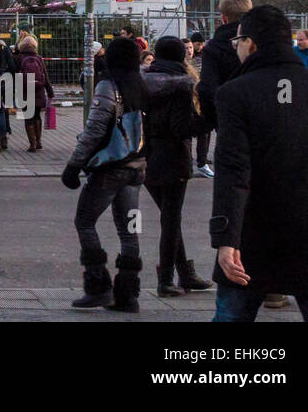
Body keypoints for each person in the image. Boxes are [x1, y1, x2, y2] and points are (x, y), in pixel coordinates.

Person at [210, 5, 308, 322]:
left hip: (252, 237)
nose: (235, 48)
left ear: (250, 43)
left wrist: (226, 240)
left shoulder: (234, 93)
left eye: (237, 41)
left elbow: (234, 172)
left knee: (232, 317)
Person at [61, 36, 147, 311]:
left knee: (85, 221)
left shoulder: (109, 86)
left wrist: (74, 165)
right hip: (137, 168)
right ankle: (128, 293)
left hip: (110, 168)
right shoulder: (141, 83)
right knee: (129, 229)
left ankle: (98, 286)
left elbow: (95, 130)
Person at [141, 35, 213, 297]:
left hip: (146, 157)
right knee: (171, 221)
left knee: (169, 218)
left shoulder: (143, 82)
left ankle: (185, 273)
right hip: (172, 158)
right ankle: (166, 280)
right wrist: (208, 121)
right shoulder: (182, 86)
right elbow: (181, 127)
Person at [197, 0, 253, 176]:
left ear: (223, 17)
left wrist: (213, 119)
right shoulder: (258, 41)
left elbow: (207, 87)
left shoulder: (213, 47)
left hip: (228, 117)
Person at [17, 36, 53, 152]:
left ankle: (32, 144)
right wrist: (50, 91)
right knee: (37, 116)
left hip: (25, 91)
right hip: (39, 90)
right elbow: (45, 76)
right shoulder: (39, 58)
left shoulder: (18, 58)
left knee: (28, 118)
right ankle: (38, 142)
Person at [188, 31, 213, 177]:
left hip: (200, 101)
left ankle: (202, 162)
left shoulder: (204, 58)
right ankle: (190, 161)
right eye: (197, 44)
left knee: (204, 132)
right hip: (189, 102)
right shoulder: (181, 64)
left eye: (192, 47)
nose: (199, 47)